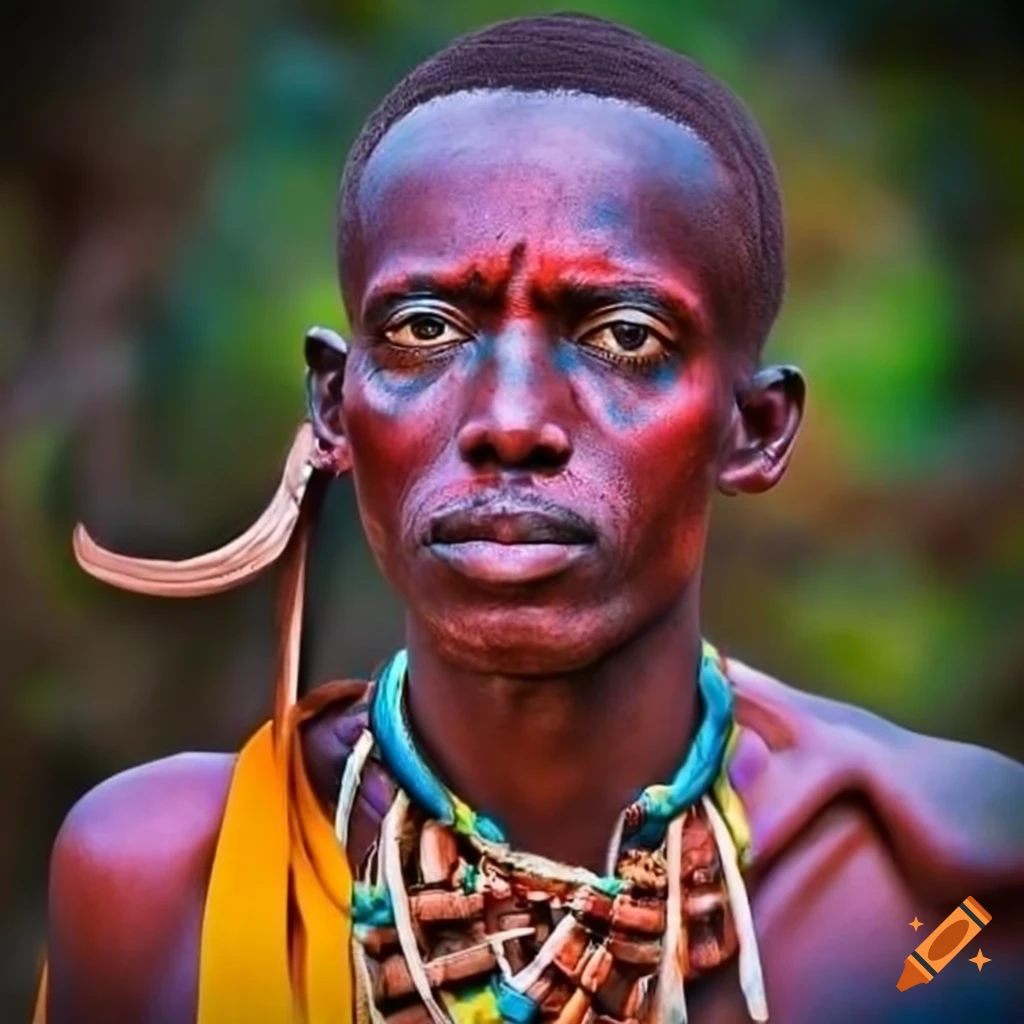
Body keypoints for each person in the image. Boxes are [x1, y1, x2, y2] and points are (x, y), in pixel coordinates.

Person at [34, 13, 1024, 1024]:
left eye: (625, 337)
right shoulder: (159, 880)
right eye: (424, 328)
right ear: (334, 406)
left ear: (755, 429)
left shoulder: (956, 891)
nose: (510, 423)